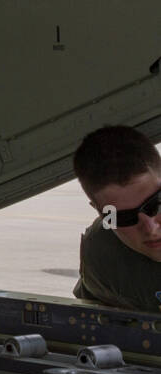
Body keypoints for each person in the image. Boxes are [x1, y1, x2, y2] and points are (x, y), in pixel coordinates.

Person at [71, 125, 161, 312]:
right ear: (101, 214)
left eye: (155, 204)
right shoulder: (103, 252)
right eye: (122, 217)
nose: (150, 228)